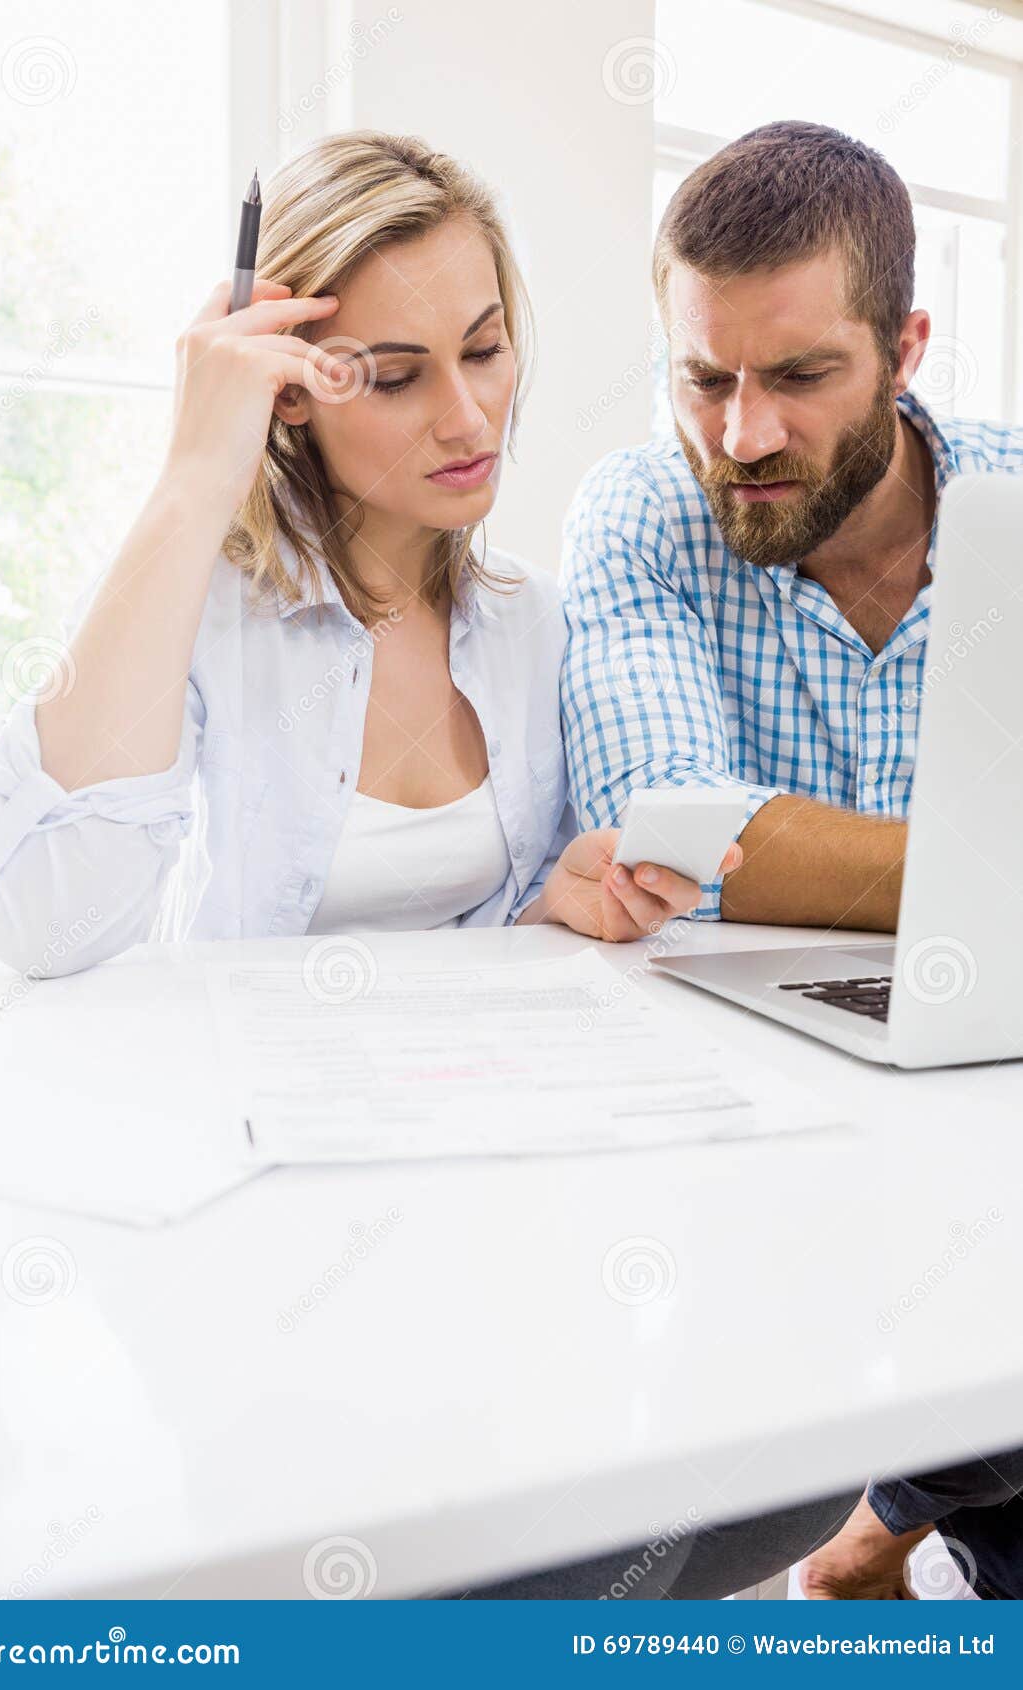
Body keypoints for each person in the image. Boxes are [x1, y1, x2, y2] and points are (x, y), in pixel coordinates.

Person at [551, 117, 1023, 1600]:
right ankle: (884, 1522)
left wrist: (820, 857)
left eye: (799, 375)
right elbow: (672, 829)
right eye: (703, 378)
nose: (741, 434)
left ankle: (879, 1531)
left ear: (905, 347)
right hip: (745, 1136)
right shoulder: (641, 508)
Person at [0, 132, 734, 973]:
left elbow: (477, 942)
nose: (469, 418)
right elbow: (42, 925)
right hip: (240, 1088)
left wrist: (556, 908)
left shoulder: (532, 619)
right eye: (396, 378)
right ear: (287, 390)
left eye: (482, 351)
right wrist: (192, 477)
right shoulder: (194, 608)